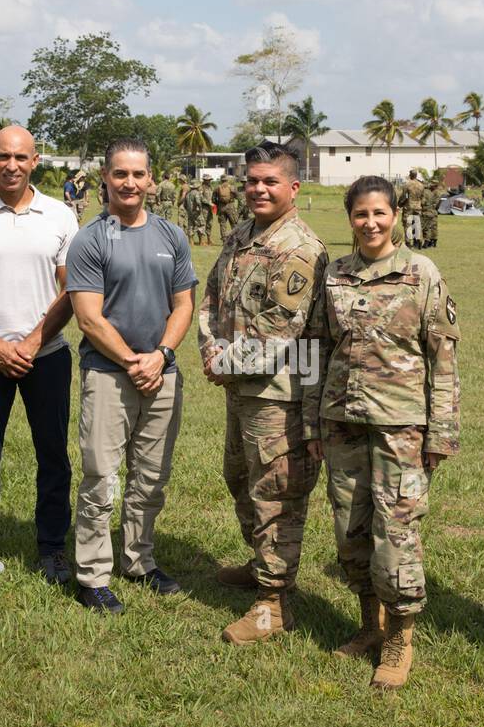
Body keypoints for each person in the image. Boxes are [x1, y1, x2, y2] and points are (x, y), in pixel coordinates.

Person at [307, 175, 460, 689]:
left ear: (395, 215)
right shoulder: (336, 274)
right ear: (349, 218)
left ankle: (399, 636)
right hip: (342, 423)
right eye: (359, 215)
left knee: (395, 536)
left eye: (379, 213)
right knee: (350, 533)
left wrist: (440, 432)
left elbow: (443, 357)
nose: (370, 223)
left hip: (402, 429)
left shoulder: (421, 272)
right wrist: (314, 420)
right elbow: (318, 351)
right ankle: (369, 624)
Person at [197, 141, 328, 644]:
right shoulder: (240, 235)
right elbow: (211, 299)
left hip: (282, 394)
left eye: (270, 181)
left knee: (277, 492)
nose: (257, 189)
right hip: (240, 388)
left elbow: (281, 331)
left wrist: (223, 363)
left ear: (293, 188)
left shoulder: (299, 248)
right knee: (239, 478)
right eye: (252, 180)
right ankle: (260, 568)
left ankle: (274, 602)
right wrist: (212, 349)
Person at [65, 138, 197, 614]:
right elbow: (88, 318)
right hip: (108, 374)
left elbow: (183, 305)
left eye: (138, 174)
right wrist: (132, 361)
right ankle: (93, 575)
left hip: (162, 372)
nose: (130, 182)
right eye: (120, 174)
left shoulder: (171, 235)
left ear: (151, 180)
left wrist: (160, 354)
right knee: (101, 475)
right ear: (105, 178)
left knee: (151, 476)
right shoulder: (90, 238)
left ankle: (139, 559)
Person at [0, 126, 78, 591]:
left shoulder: (60, 215)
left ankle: (52, 548)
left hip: (48, 357)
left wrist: (30, 342)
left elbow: (72, 289)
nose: (12, 165)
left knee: (53, 455)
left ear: (35, 160)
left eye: (21, 157)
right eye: (3, 156)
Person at [398, 170, 425, 249]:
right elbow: (423, 197)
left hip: (409, 207)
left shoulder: (407, 184)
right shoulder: (421, 185)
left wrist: (399, 204)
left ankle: (408, 243)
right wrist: (420, 205)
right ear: (416, 175)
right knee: (417, 224)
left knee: (407, 225)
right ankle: (417, 242)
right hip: (418, 207)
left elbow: (404, 197)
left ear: (410, 175)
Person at [213, 176, 237, 243]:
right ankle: (234, 239)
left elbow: (213, 199)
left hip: (221, 208)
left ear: (221, 180)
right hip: (230, 207)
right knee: (233, 223)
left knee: (222, 224)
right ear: (227, 180)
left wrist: (219, 204)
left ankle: (224, 240)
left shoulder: (217, 188)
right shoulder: (232, 187)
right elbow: (237, 196)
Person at [420, 176, 442, 248]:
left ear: (435, 185)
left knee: (431, 227)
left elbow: (436, 204)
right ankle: (431, 241)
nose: (430, 185)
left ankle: (432, 241)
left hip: (432, 211)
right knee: (431, 227)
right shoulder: (431, 191)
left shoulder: (437, 193)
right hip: (432, 211)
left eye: (432, 184)